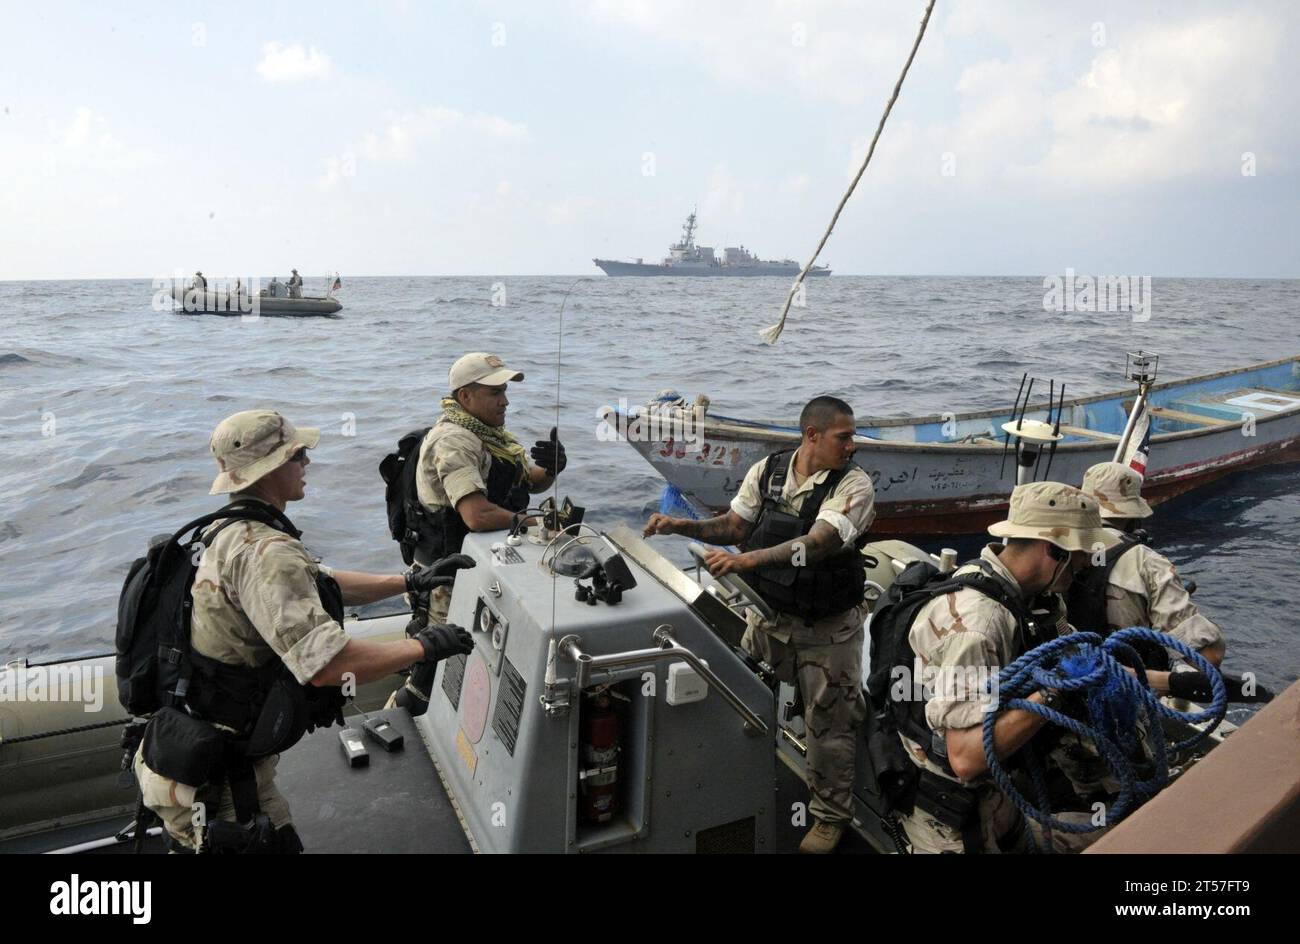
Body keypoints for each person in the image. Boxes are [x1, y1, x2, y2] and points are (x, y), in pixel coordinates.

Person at [133, 409, 475, 852]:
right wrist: (424, 646)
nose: (307, 464)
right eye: (298, 455)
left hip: (195, 758)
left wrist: (410, 581)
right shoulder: (265, 552)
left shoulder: (228, 529)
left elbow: (321, 582)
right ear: (270, 468)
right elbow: (329, 665)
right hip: (221, 785)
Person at [644, 395, 875, 854]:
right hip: (769, 617)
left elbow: (819, 543)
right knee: (739, 692)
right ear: (812, 435)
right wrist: (677, 526)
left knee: (829, 727)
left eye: (852, 436)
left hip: (827, 630)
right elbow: (733, 527)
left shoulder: (855, 486)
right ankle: (737, 772)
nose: (853, 445)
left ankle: (830, 816)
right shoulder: (768, 472)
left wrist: (747, 560)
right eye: (843, 436)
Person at [892, 482, 1123, 854]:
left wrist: (1166, 680)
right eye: (1081, 554)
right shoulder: (978, 625)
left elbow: (1078, 653)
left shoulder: (1028, 596)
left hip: (997, 791)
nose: (1084, 565)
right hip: (949, 812)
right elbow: (965, 758)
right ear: (1054, 550)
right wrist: (1054, 692)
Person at [388, 352, 565, 713]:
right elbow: (477, 515)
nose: (505, 400)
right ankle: (394, 731)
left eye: (504, 390)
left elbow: (527, 484)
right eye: (494, 392)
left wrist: (552, 469)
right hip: (449, 581)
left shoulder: (488, 435)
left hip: (481, 567)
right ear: (465, 397)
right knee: (430, 676)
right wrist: (540, 525)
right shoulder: (454, 441)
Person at [1074, 462, 1226, 689]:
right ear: (1133, 516)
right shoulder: (1147, 562)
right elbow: (1207, 657)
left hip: (1064, 687)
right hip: (1127, 695)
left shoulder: (1056, 552)